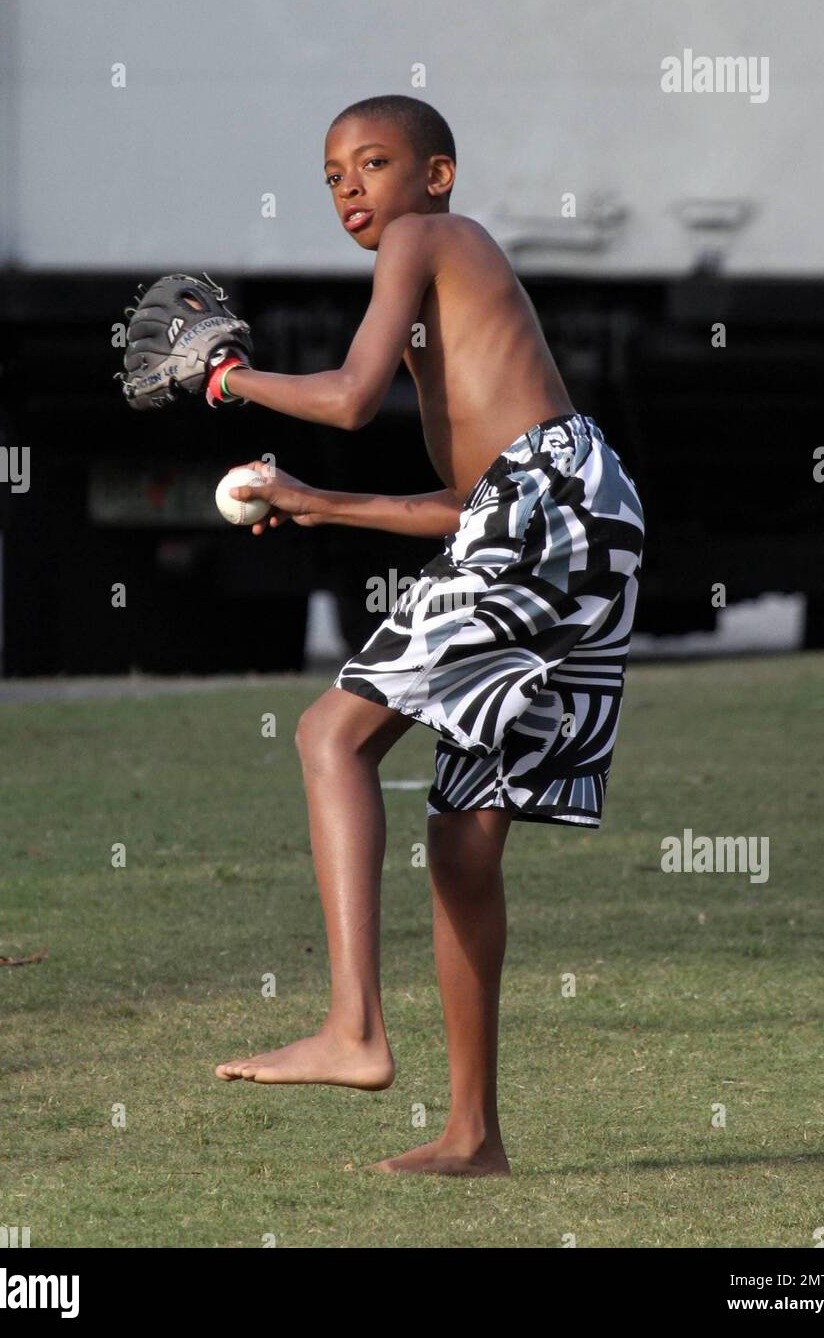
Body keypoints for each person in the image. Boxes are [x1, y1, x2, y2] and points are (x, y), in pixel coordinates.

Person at [210, 95, 645, 1176]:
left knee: (331, 737)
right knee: (462, 840)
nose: (352, 189)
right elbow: (467, 502)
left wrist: (227, 380)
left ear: (437, 175)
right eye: (332, 176)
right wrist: (320, 502)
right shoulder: (438, 285)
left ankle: (354, 1027)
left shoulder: (424, 239)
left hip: (546, 512)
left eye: (373, 163)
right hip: (582, 517)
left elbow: (353, 400)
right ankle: (474, 1136)